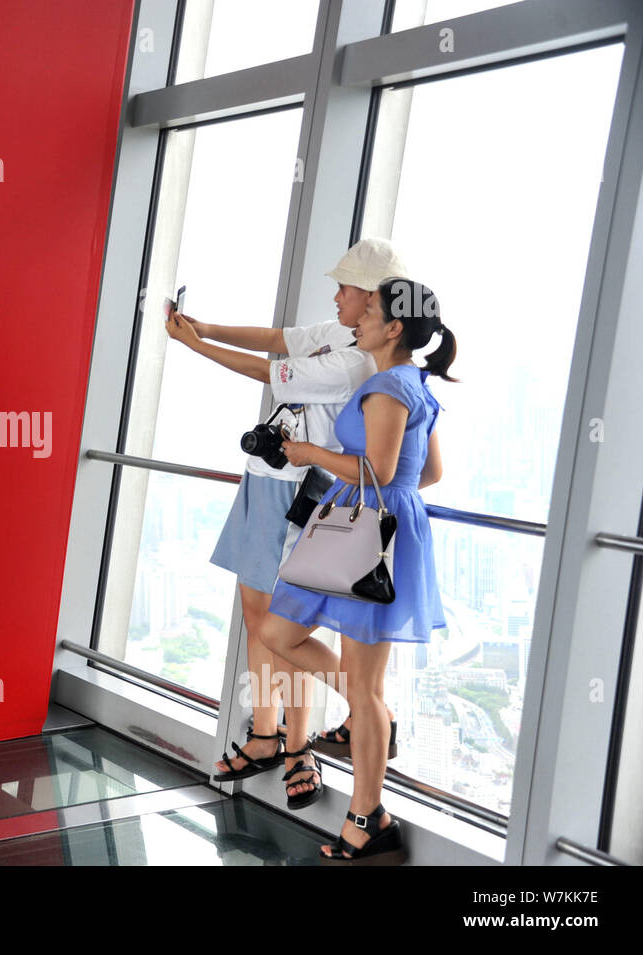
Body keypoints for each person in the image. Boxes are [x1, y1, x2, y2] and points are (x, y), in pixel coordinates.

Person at [164, 239, 405, 808]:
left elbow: (270, 370)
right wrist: (206, 326)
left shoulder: (359, 358)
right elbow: (276, 340)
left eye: (347, 287)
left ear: (372, 299)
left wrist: (193, 346)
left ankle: (302, 746)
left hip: (304, 492)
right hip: (263, 477)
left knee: (287, 622)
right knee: (255, 613)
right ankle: (266, 734)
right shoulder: (335, 332)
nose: (337, 294)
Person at [260, 277, 456, 863]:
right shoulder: (408, 382)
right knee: (279, 632)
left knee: (364, 687)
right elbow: (428, 474)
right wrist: (385, 494)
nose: (357, 318)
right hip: (372, 526)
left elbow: (379, 465)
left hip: (369, 538)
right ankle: (374, 729)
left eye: (368, 310)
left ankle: (367, 818)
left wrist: (310, 455)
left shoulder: (389, 386)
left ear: (394, 327)